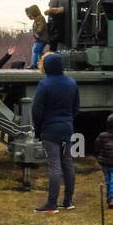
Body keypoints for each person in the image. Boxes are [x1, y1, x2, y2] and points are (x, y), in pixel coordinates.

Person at [31, 53, 79, 213]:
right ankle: (68, 201)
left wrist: (38, 128)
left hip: (50, 130)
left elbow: (36, 110)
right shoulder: (72, 83)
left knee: (54, 166)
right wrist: (68, 120)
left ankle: (52, 203)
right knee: (68, 164)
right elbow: (76, 107)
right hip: (67, 129)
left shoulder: (44, 85)